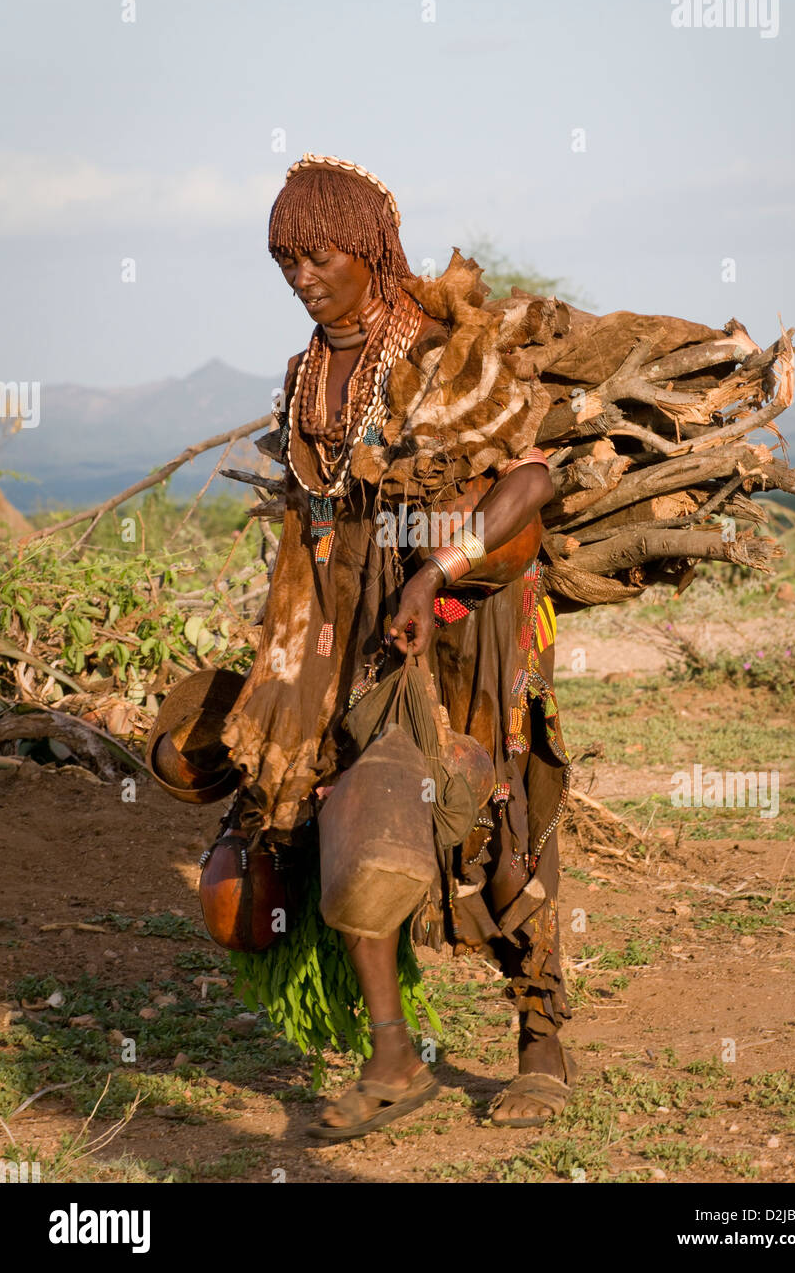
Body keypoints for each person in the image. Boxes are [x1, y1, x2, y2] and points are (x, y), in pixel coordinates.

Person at [221, 153, 574, 1137]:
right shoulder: (306, 375)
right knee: (345, 810)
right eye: (284, 259)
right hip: (360, 620)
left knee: (496, 815)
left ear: (370, 251)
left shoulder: (444, 351)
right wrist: (296, 653)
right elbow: (316, 521)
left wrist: (432, 571)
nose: (301, 274)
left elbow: (528, 479)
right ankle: (391, 1055)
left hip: (467, 611)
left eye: (318, 254)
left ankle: (540, 1041)